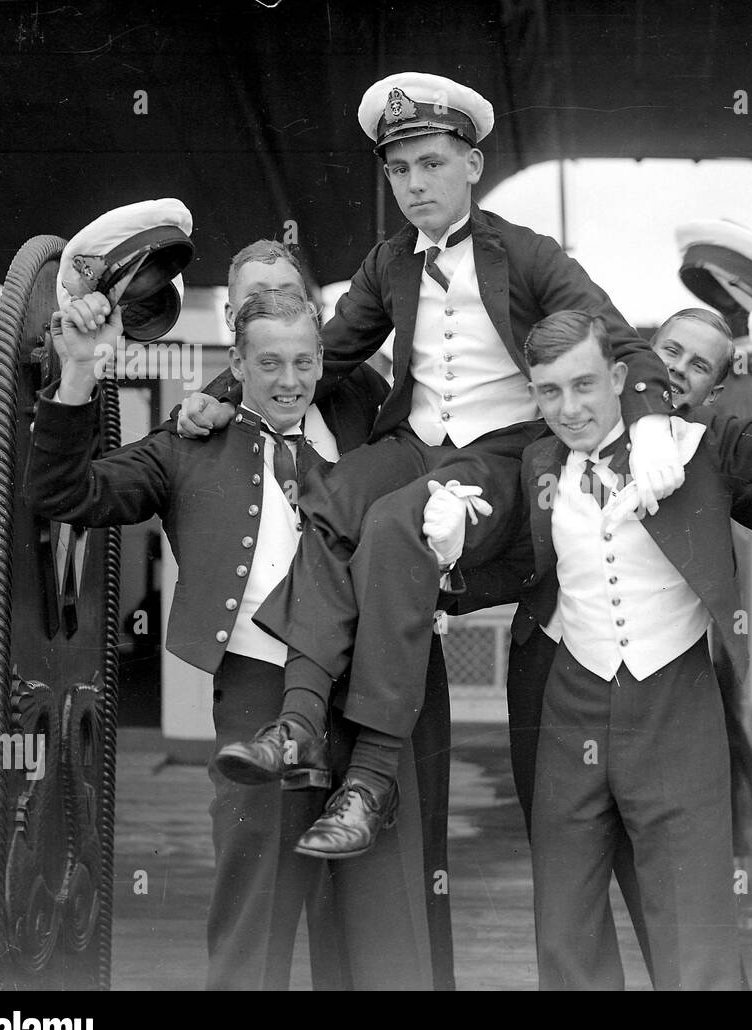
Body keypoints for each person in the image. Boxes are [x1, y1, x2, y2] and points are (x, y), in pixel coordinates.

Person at [180, 72, 690, 859]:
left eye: (432, 164)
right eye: (399, 169)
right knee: (332, 498)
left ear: (473, 165)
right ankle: (301, 723)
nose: (414, 185)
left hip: (499, 452)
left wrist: (652, 416)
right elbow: (325, 352)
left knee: (391, 526)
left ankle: (373, 777)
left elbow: (616, 337)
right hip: (417, 445)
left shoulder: (528, 253)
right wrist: (219, 394)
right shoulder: (390, 262)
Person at [24, 267, 435, 990]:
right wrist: (79, 375)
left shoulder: (363, 425)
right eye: (269, 363)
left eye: (305, 362)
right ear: (235, 364)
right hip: (256, 695)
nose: (290, 380)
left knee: (381, 931)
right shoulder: (185, 447)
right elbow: (64, 491)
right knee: (254, 921)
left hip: (366, 701)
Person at [498, 309, 752, 989]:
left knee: (693, 926)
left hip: (674, 700)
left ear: (714, 388)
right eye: (668, 350)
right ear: (636, 360)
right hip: (568, 700)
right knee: (564, 923)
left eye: (699, 364)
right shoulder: (543, 456)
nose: (675, 370)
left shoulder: (708, 448)